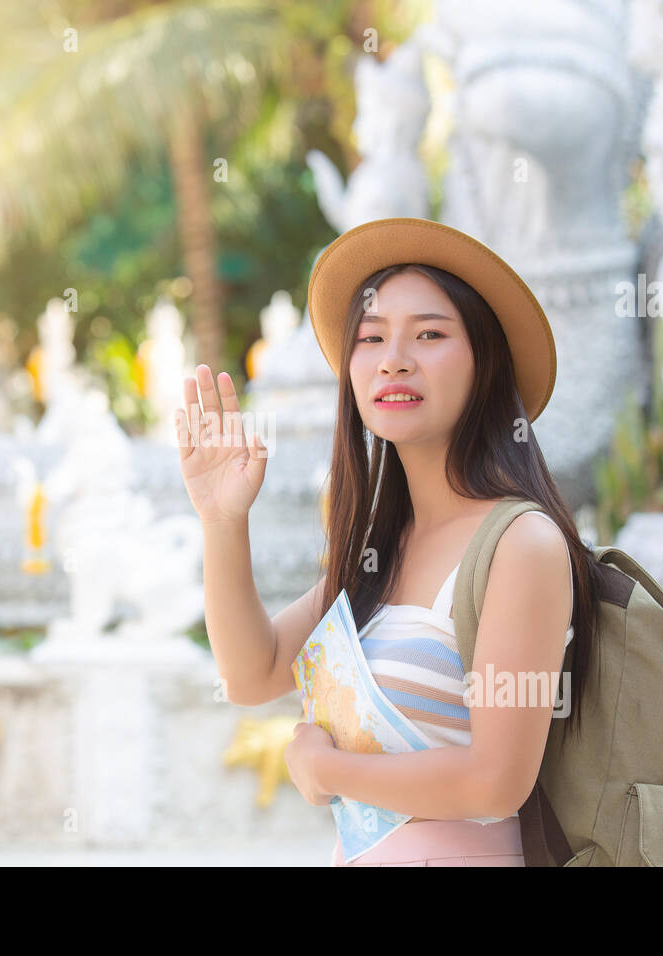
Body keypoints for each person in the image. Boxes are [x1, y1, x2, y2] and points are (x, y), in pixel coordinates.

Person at [174, 217, 600, 866]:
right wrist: (222, 520)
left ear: (486, 364)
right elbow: (250, 673)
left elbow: (495, 781)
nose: (394, 357)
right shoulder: (380, 553)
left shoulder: (521, 543)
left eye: (429, 334)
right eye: (371, 337)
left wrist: (329, 772)